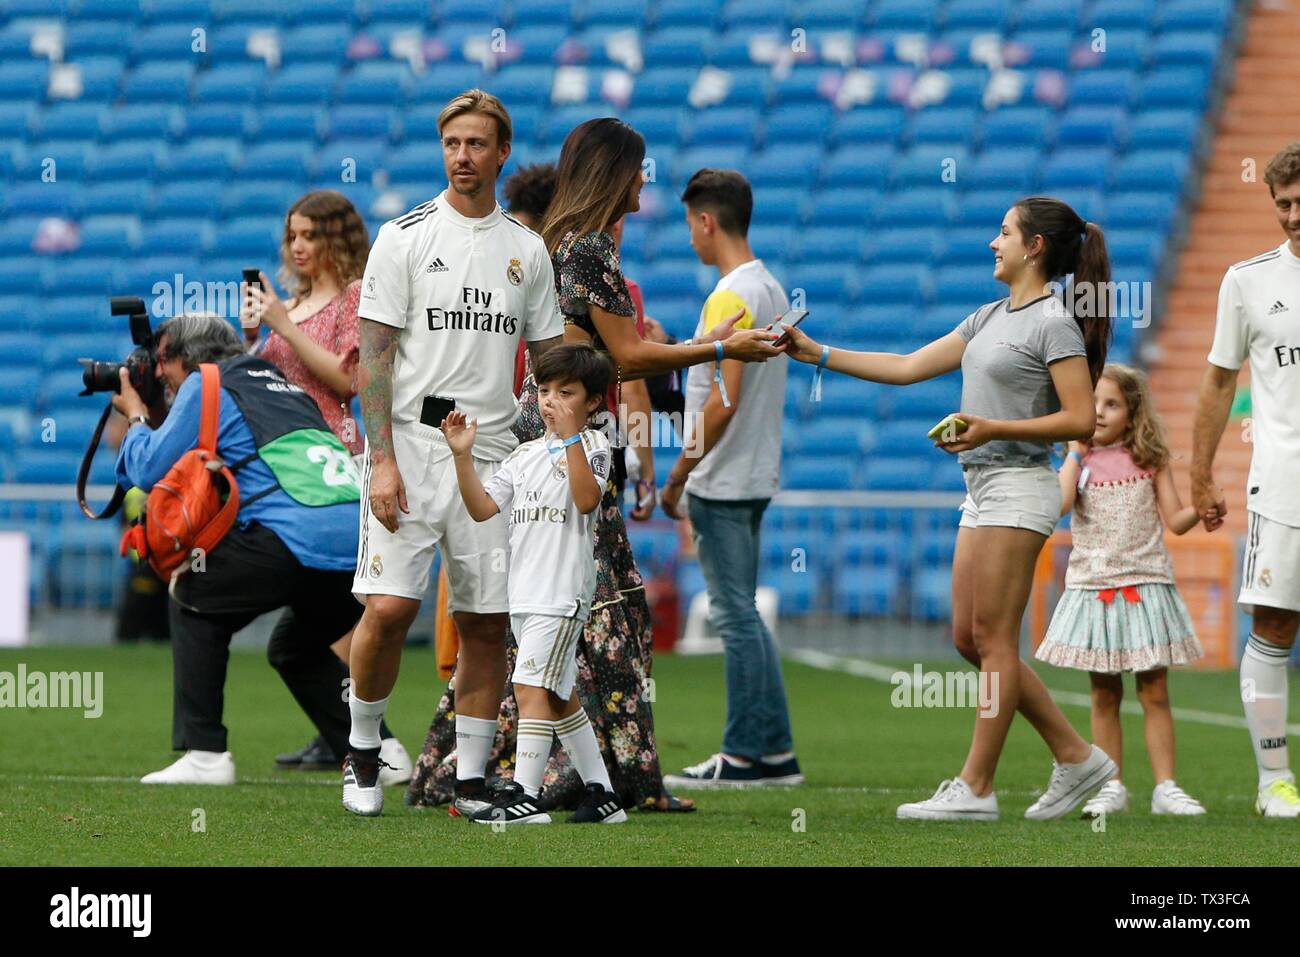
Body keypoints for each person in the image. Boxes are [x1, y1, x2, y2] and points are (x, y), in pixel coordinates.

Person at [783, 196, 1116, 821]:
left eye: (1004, 232)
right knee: (968, 637)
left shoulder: (1054, 322)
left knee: (993, 637)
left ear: (1035, 247)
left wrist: (992, 427)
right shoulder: (989, 315)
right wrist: (817, 353)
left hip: (1020, 484)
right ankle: (1076, 755)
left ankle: (978, 788)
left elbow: (1080, 420)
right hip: (983, 487)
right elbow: (909, 366)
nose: (994, 242)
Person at [341, 89, 569, 818]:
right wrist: (381, 458)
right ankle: (363, 750)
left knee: (485, 620)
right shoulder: (403, 236)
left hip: (494, 453)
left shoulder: (527, 251)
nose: (462, 156)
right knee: (388, 608)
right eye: (452, 144)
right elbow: (372, 359)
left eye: (476, 144)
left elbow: (551, 358)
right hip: (411, 443)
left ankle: (470, 780)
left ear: (502, 153)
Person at [110, 314, 364, 784]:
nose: (158, 370)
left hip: (296, 532)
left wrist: (138, 416)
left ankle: (205, 754)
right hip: (358, 544)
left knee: (192, 596)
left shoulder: (206, 382)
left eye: (162, 359)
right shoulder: (279, 382)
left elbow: (147, 469)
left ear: (188, 358)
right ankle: (374, 750)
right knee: (296, 647)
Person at [239, 189, 409, 777]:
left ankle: (361, 733)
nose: (299, 246)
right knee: (318, 605)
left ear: (337, 239)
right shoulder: (291, 304)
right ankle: (338, 728)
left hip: (334, 460)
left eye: (311, 234)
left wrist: (283, 323)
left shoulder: (356, 298)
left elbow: (352, 378)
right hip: (287, 465)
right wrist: (252, 338)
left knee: (335, 605)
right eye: (293, 235)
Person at [659, 169, 802, 789]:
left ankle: (743, 752)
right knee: (742, 612)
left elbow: (722, 399)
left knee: (733, 615)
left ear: (707, 221)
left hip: (720, 476)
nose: (690, 237)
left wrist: (678, 475)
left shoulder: (728, 295)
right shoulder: (769, 284)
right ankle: (774, 753)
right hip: (755, 469)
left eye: (692, 224)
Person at [445, 344, 626, 824]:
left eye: (565, 392)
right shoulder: (523, 455)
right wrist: (463, 458)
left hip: (561, 592)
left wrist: (570, 440)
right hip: (524, 594)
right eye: (544, 391)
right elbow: (482, 507)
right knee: (559, 694)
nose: (550, 401)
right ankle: (603, 796)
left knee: (529, 684)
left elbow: (587, 501)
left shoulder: (594, 447)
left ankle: (525, 795)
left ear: (592, 403)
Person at [1036, 364, 1206, 816]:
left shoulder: (1150, 460)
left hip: (1145, 584)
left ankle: (1166, 786)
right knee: (1104, 693)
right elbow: (1060, 506)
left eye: (1111, 404)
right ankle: (1111, 785)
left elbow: (1176, 520)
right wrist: (1074, 452)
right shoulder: (1080, 462)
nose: (1100, 412)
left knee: (1154, 690)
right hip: (1095, 589)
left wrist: (1202, 510)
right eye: (1092, 404)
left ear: (1132, 413)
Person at [1192, 141, 1300, 817]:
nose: (1293, 215)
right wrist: (1198, 472)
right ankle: (1274, 781)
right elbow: (1215, 381)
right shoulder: (1248, 281)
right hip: (1284, 484)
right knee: (1275, 622)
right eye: (1283, 204)